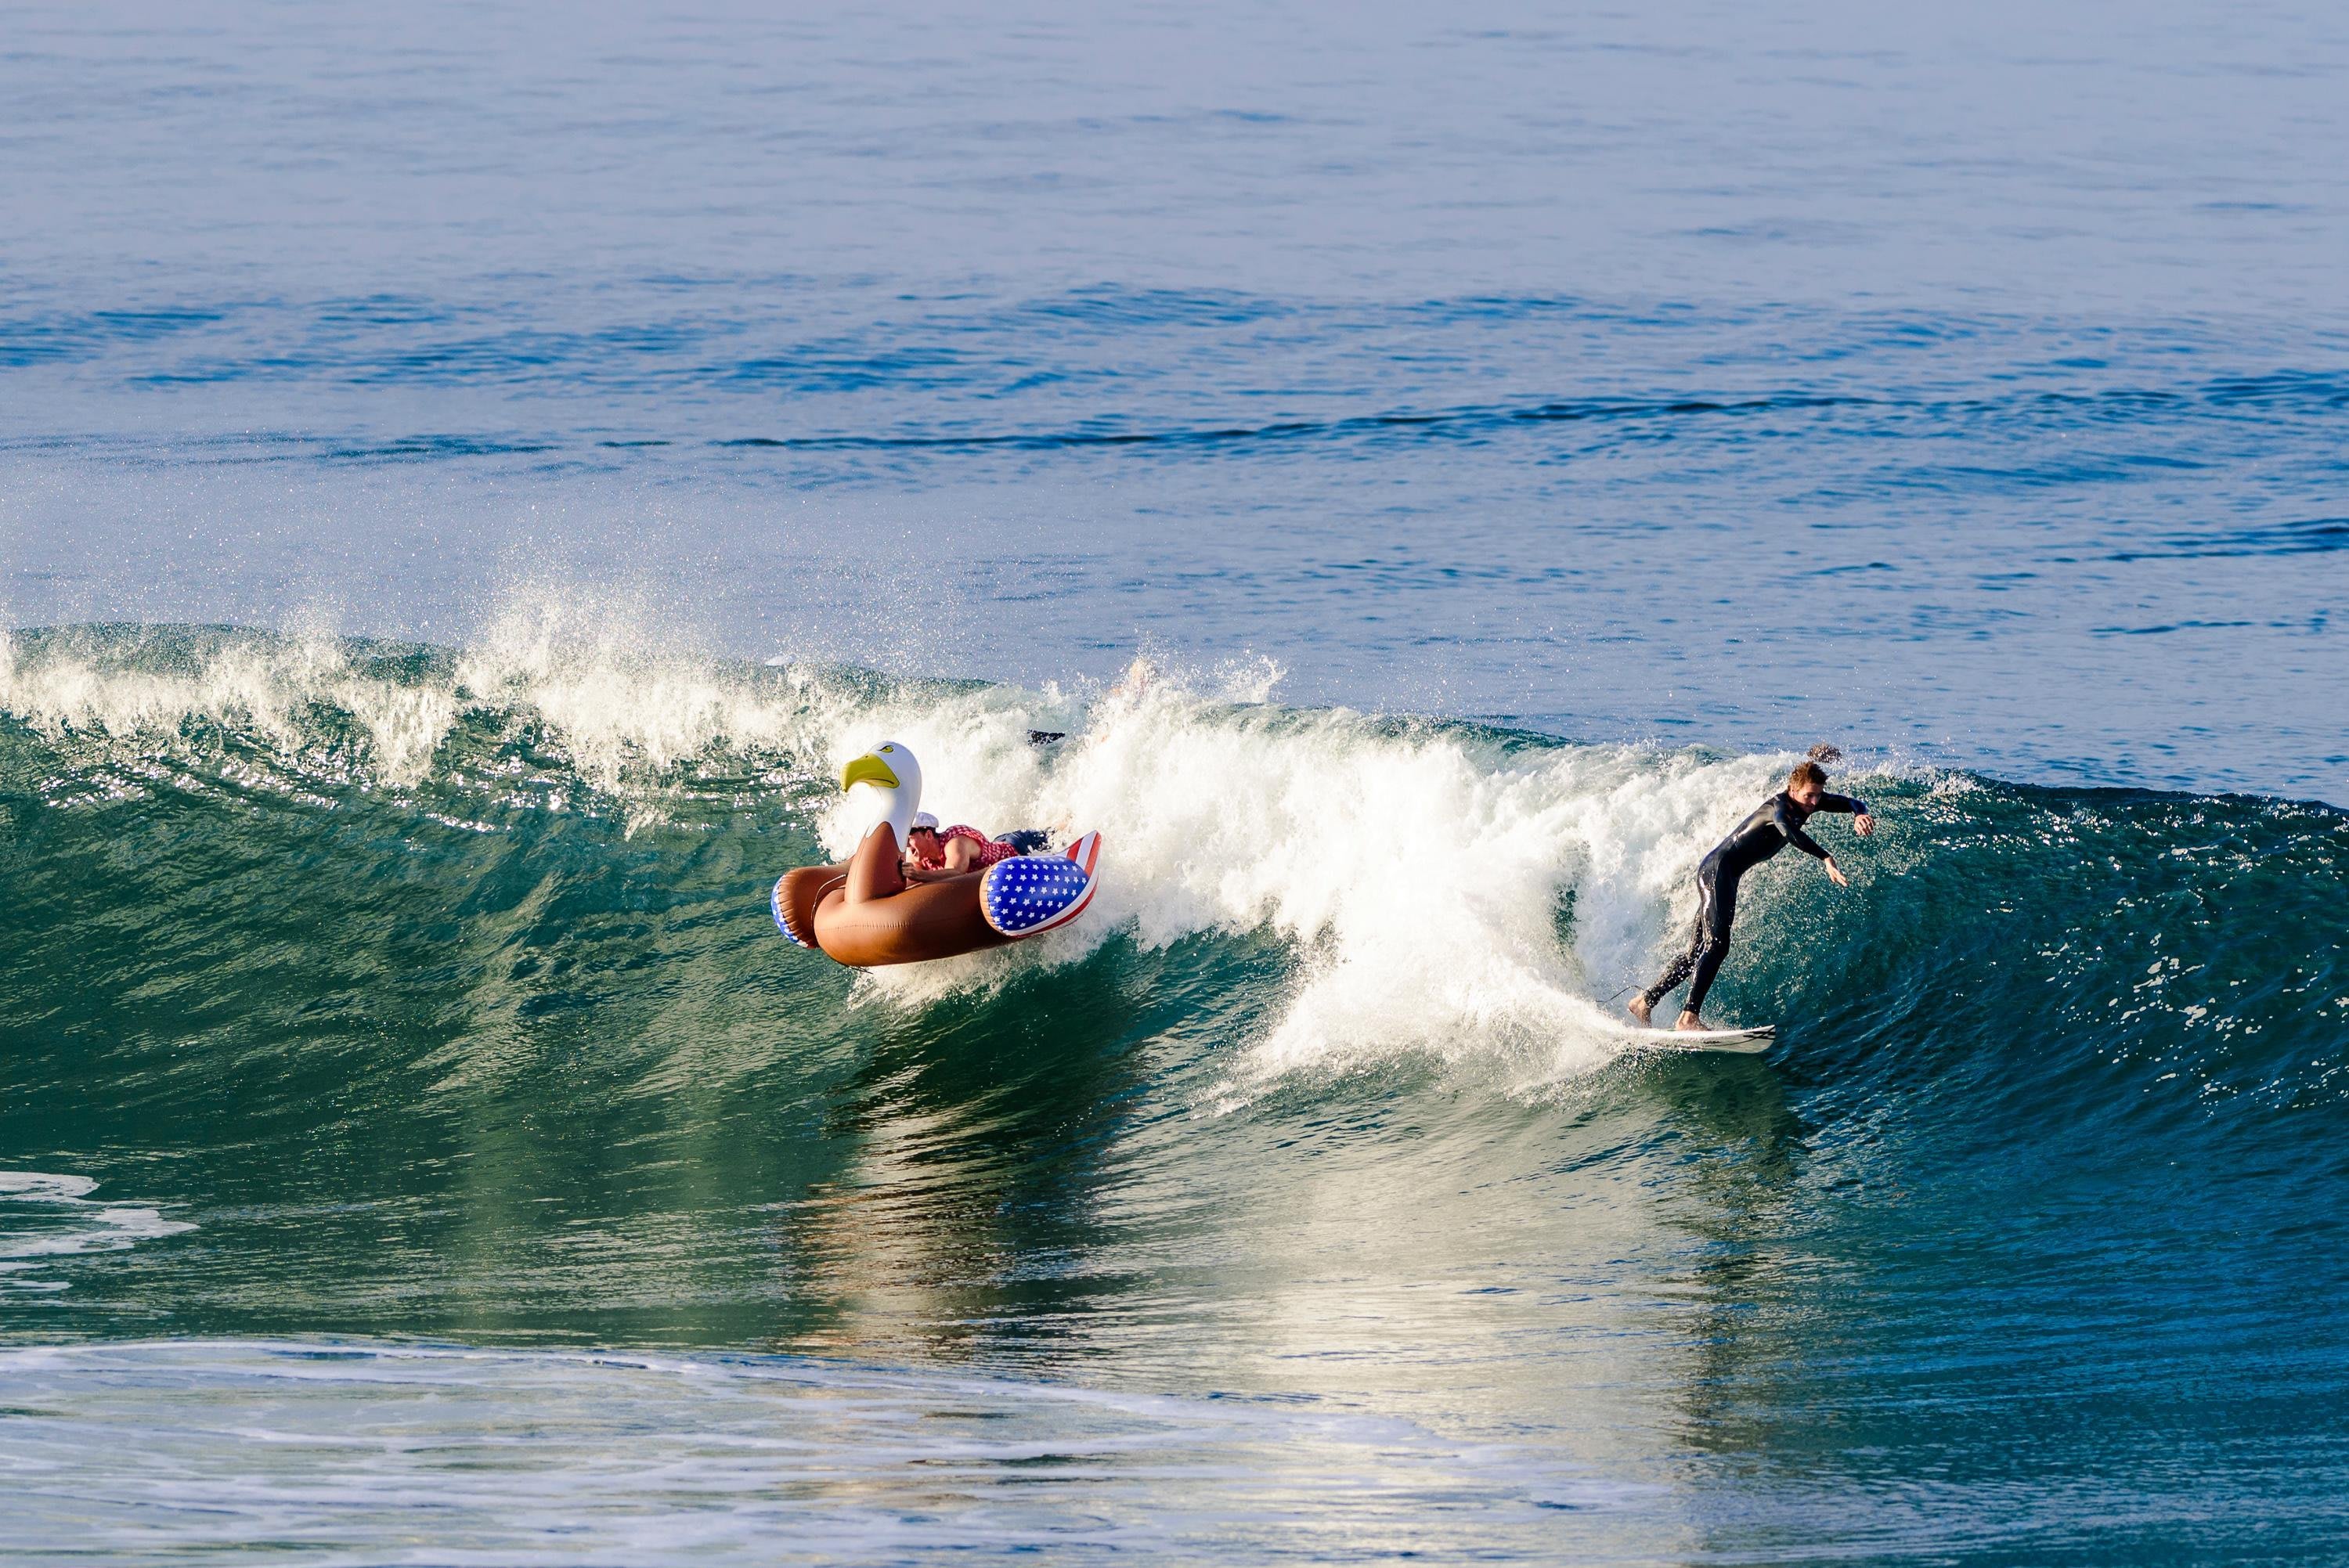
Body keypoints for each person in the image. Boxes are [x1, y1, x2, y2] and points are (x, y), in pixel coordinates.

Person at [1629, 748, 1878, 1031]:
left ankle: (1644, 1002)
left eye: (1818, 796)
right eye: (1809, 795)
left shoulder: (1808, 802)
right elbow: (1788, 831)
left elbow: (1852, 802)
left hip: (1725, 875)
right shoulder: (1780, 808)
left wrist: (1860, 814)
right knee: (1717, 945)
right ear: (1793, 789)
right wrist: (1825, 857)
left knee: (1695, 954)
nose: (1814, 802)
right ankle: (1688, 1018)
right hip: (1717, 871)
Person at [901, 812, 1049, 882]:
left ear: (928, 835)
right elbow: (908, 884)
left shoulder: (954, 843)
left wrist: (919, 875)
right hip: (996, 843)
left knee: (1057, 835)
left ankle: (1068, 820)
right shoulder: (920, 858)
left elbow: (956, 873)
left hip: (1018, 845)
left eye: (910, 838)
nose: (907, 844)